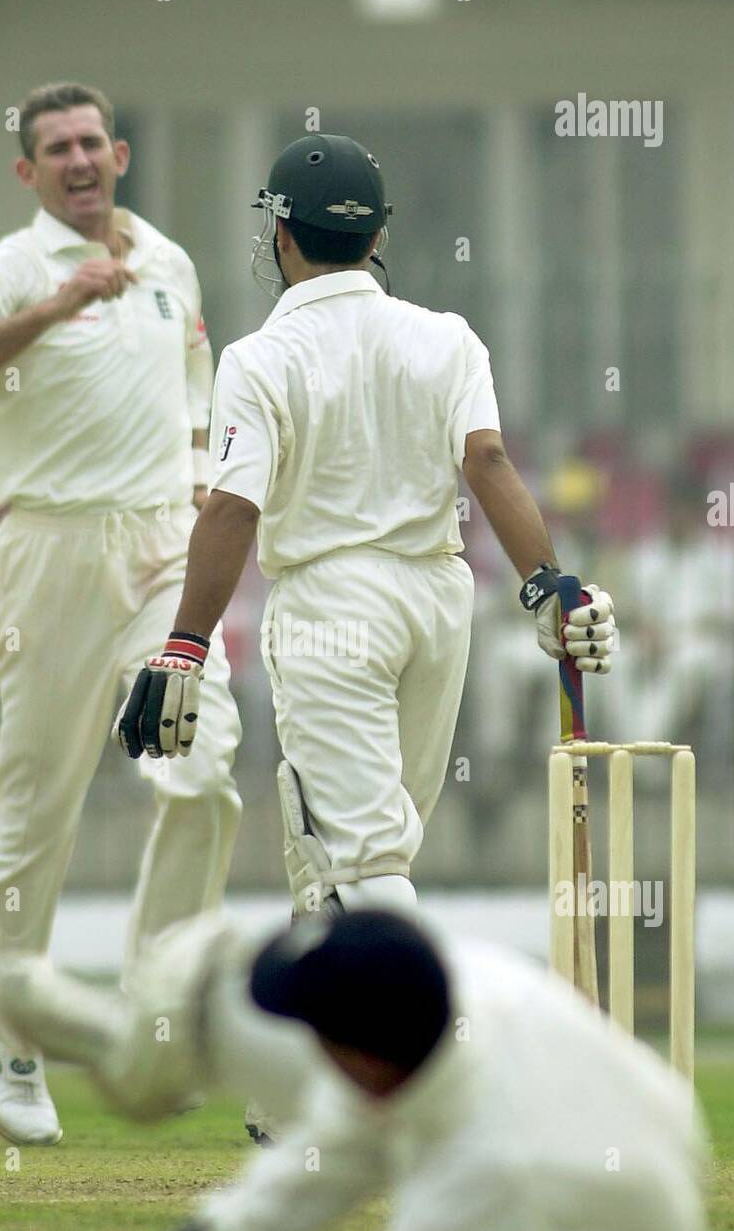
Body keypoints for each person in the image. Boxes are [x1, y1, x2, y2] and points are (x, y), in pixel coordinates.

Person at [114, 133, 616, 1139]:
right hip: (438, 604)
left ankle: (458, 1080)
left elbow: (231, 511)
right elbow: (486, 462)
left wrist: (182, 644)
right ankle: (303, 1089)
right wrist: (549, 582)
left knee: (368, 862)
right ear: (378, 234)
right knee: (348, 856)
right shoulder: (446, 338)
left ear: (279, 236)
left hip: (331, 605)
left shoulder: (260, 358)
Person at [0, 82, 242, 1146]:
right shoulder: (9, 271)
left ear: (121, 152)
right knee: (34, 801)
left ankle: (159, 1013)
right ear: (30, 173)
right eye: (55, 148)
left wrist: (196, 482)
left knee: (202, 769)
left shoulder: (169, 263)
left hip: (156, 547)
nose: (77, 159)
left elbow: (196, 383)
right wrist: (52, 309)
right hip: (47, 550)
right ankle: (15, 1041)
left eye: (91, 141)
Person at [0, 907, 707, 1231]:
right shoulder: (461, 985)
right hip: (647, 1141)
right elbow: (329, 1147)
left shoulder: (465, 1218)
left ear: (359, 1060)